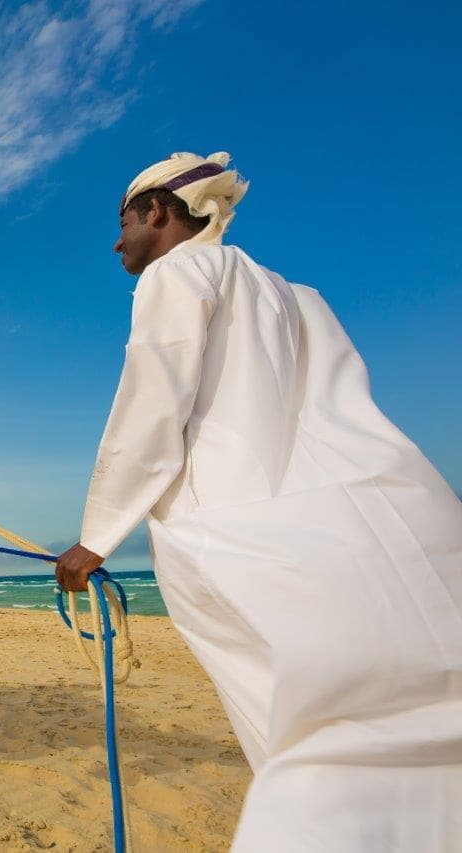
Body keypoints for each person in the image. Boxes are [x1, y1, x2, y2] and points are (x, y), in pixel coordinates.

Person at [55, 152, 462, 850]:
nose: (117, 242)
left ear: (158, 211)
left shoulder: (174, 274)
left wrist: (96, 538)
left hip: (257, 545)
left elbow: (152, 405)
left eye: (123, 222)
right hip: (399, 521)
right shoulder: (297, 295)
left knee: (313, 747)